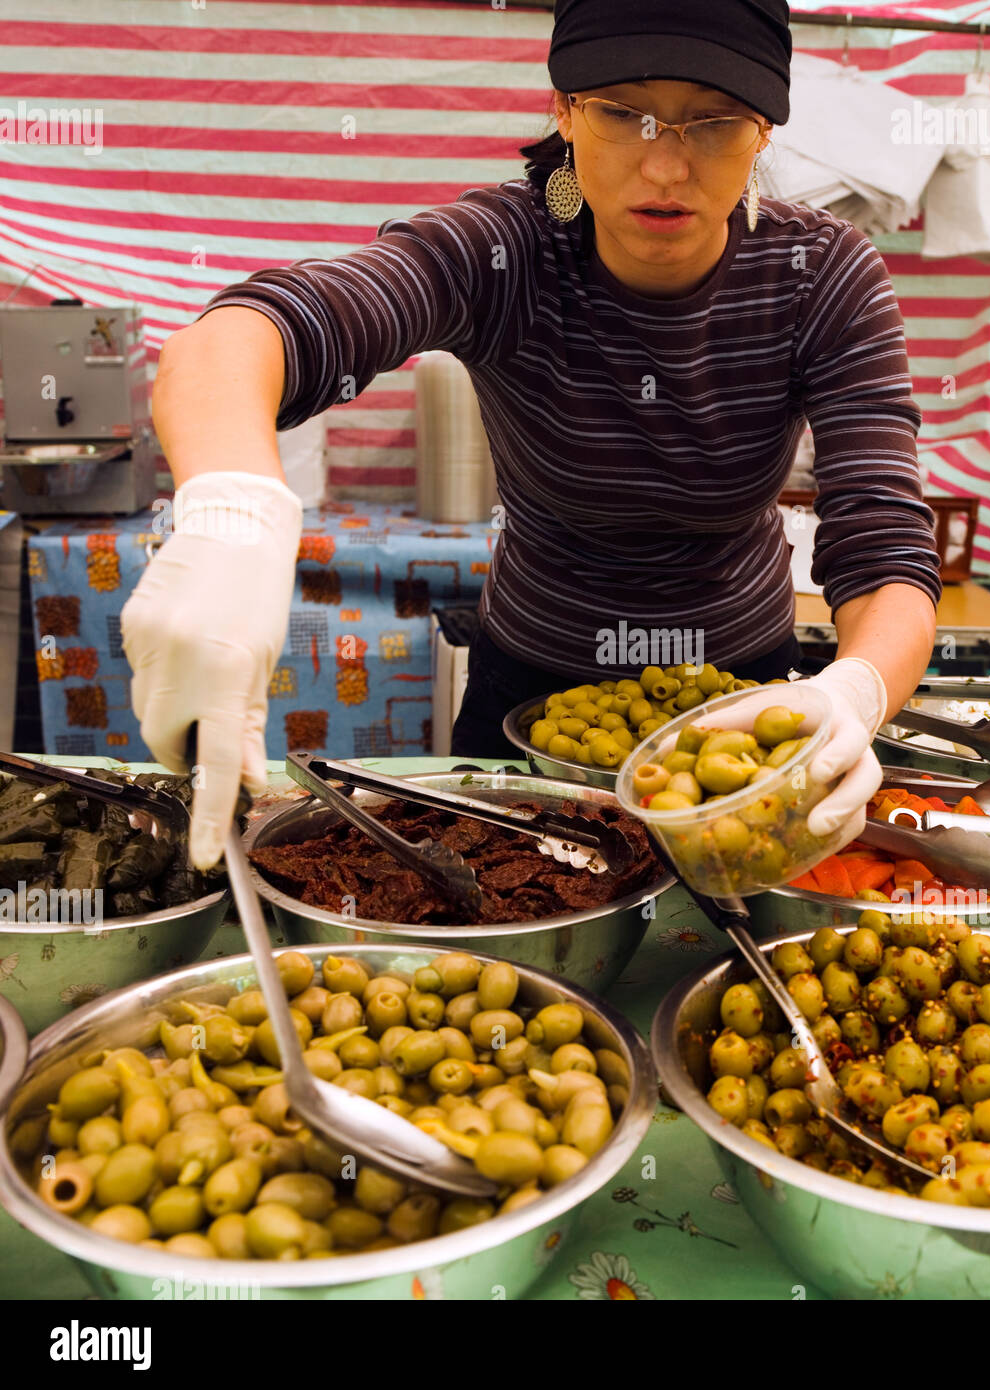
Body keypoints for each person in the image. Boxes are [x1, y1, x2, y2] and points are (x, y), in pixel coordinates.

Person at [122, 0, 941, 871]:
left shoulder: (821, 275)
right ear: (565, 109)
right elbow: (253, 335)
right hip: (529, 693)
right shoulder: (505, 252)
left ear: (764, 131)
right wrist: (232, 508)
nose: (666, 166)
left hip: (749, 707)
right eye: (624, 113)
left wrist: (853, 691)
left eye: (714, 121)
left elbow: (886, 543)